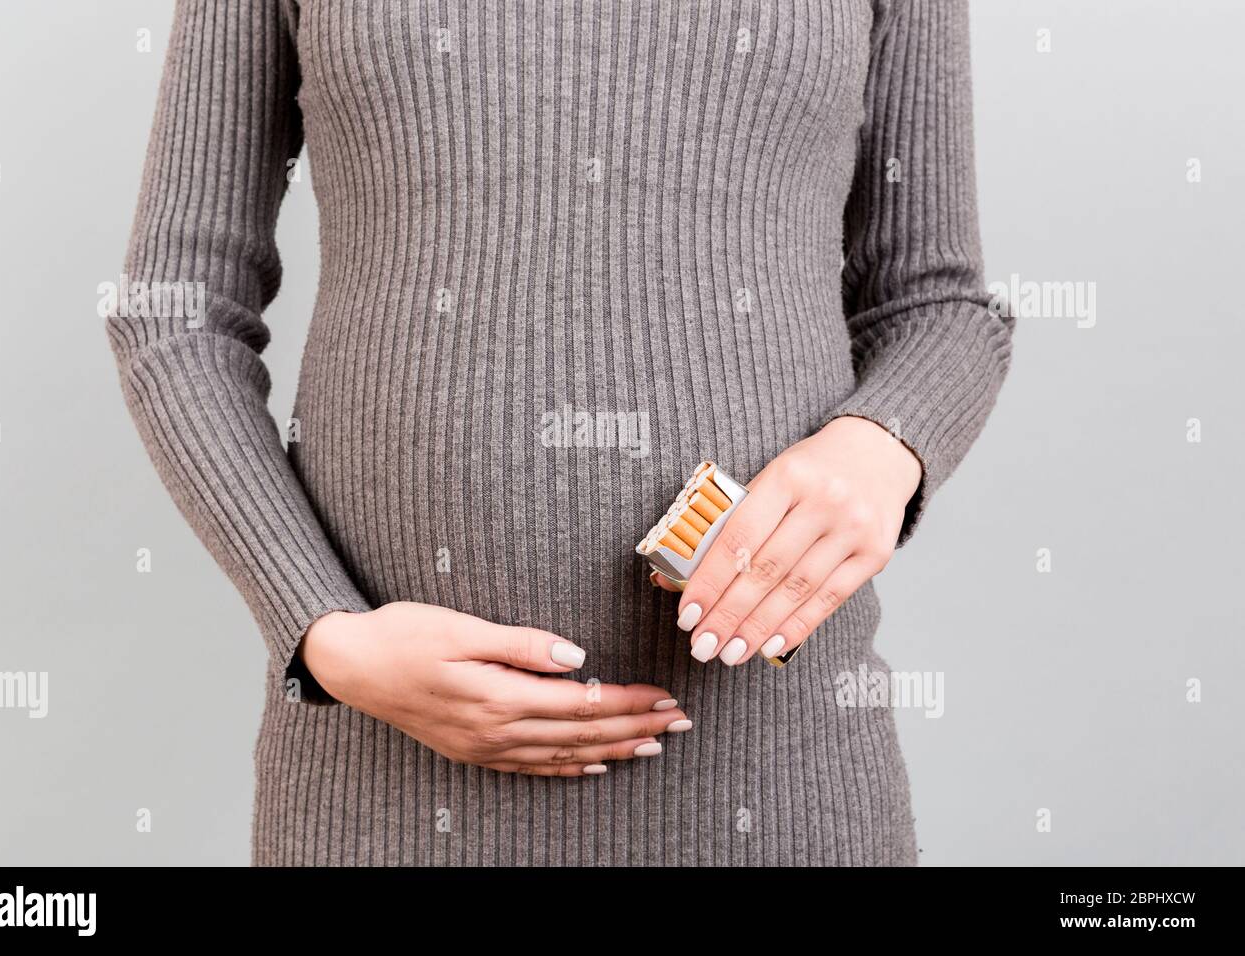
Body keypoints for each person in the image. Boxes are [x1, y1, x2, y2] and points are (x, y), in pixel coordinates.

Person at [108, 0, 1012, 866]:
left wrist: (883, 442)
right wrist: (322, 631)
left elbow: (934, 302)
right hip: (377, 783)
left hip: (780, 780)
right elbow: (176, 309)